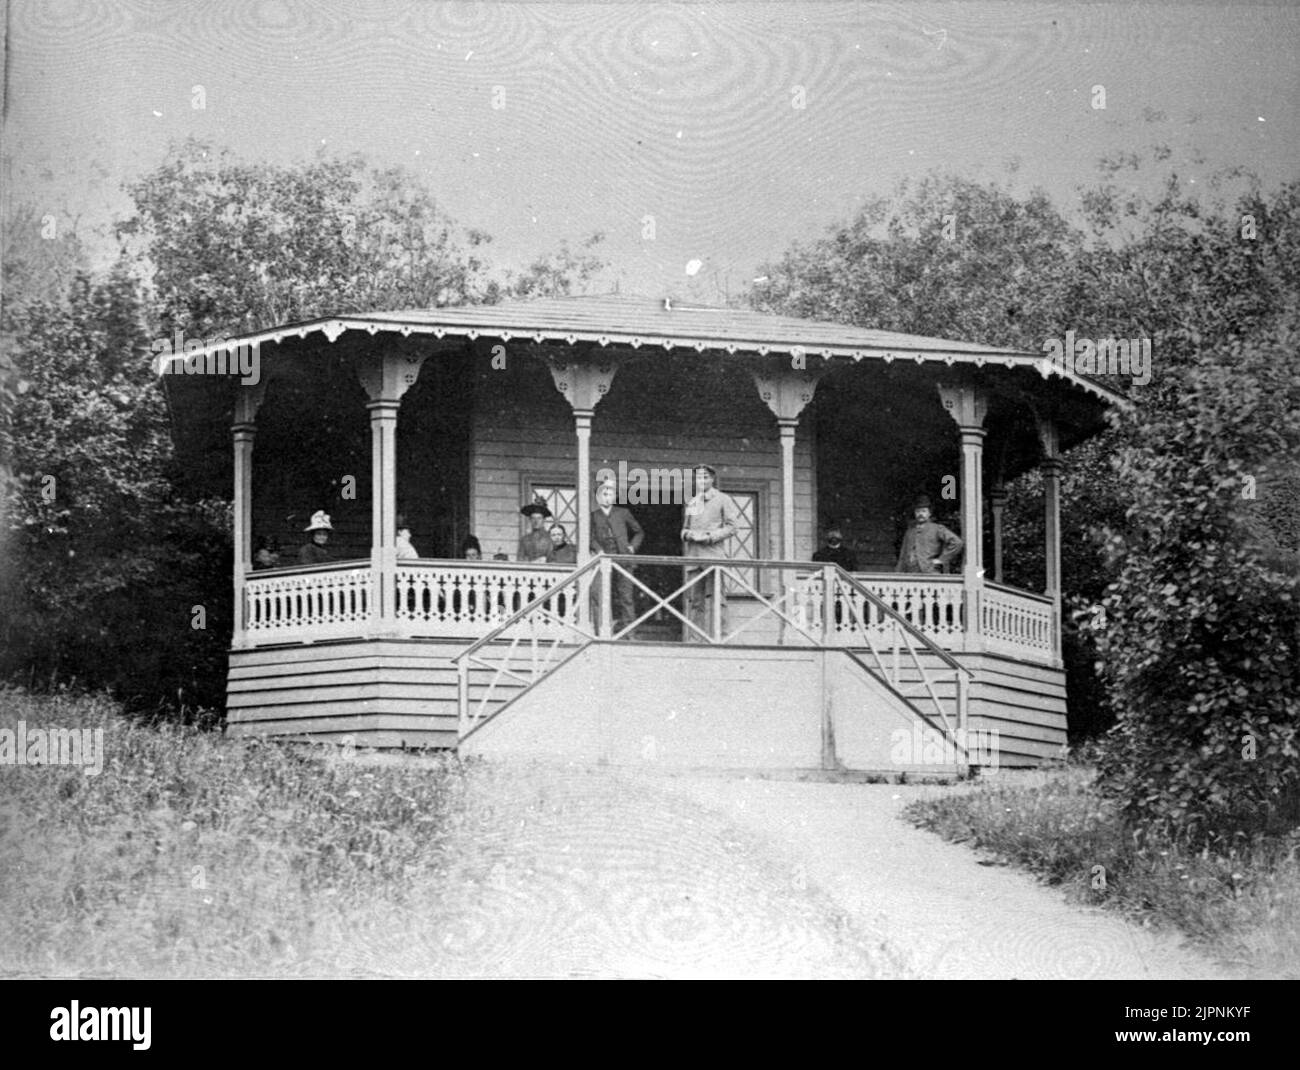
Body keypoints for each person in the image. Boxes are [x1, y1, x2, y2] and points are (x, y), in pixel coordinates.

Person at [681, 463, 741, 639]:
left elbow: (733, 527)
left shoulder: (723, 499)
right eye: (698, 477)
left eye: (705, 477)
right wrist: (688, 535)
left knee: (718, 600)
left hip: (714, 557)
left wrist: (710, 536)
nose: (702, 480)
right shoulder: (692, 502)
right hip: (694, 559)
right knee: (695, 601)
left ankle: (720, 638)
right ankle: (695, 638)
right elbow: (684, 529)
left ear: (712, 479)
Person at [590, 480, 644, 633]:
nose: (607, 498)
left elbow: (639, 531)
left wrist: (632, 546)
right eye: (604, 494)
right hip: (604, 559)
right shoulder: (594, 516)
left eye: (610, 494)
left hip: (623, 558)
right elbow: (591, 538)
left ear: (615, 497)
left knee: (625, 596)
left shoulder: (623, 512)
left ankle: (629, 632)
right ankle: (602, 631)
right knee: (601, 595)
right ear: (598, 497)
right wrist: (599, 550)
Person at [896, 495, 963, 574]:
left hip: (930, 571)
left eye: (924, 511)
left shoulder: (937, 528)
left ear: (929, 513)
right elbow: (903, 555)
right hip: (910, 572)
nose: (920, 514)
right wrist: (898, 572)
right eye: (918, 511)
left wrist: (941, 559)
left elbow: (957, 542)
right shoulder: (910, 532)